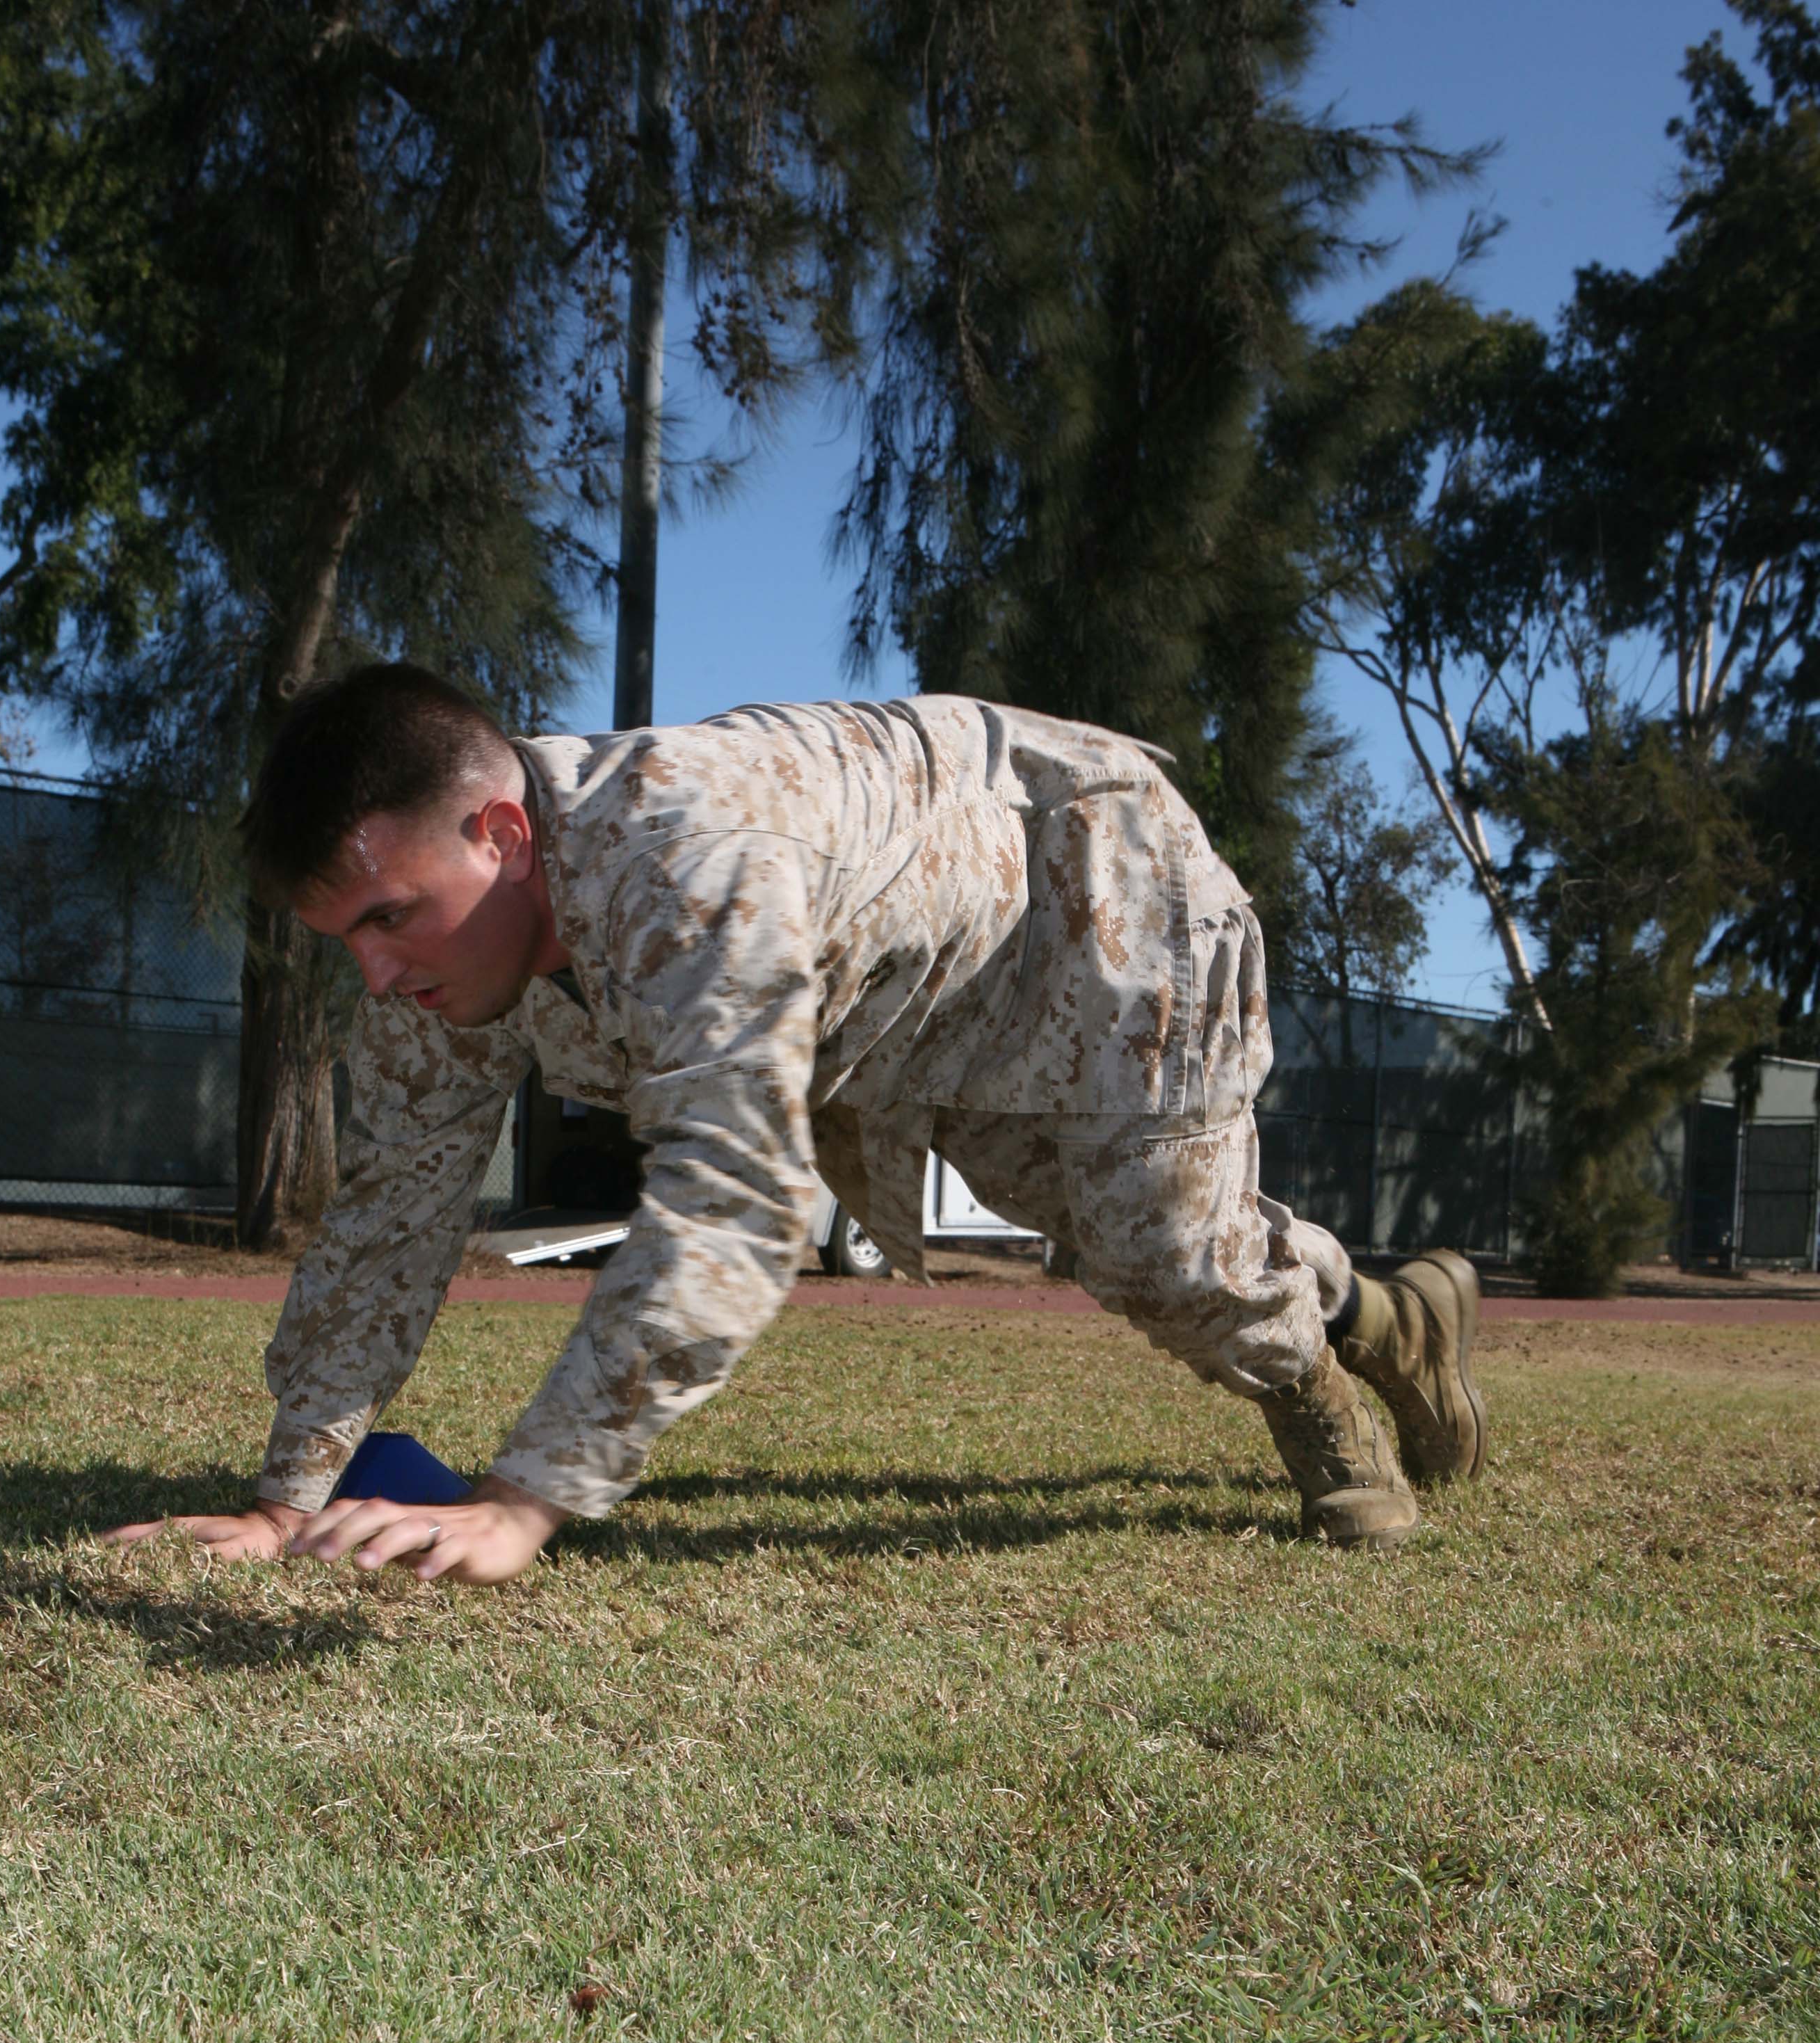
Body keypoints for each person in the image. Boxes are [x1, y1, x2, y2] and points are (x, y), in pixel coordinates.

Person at [109, 664, 1485, 1587]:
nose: (374, 973)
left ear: (502, 835)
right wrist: (292, 1497)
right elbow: (390, 1214)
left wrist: (526, 1499)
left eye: (389, 918)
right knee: (1090, 1229)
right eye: (344, 939)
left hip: (1090, 889)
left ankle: (1323, 1382)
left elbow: (733, 1196)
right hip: (893, 1001)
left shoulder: (686, 860)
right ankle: (1384, 1312)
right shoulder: (432, 965)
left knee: (1166, 1250)